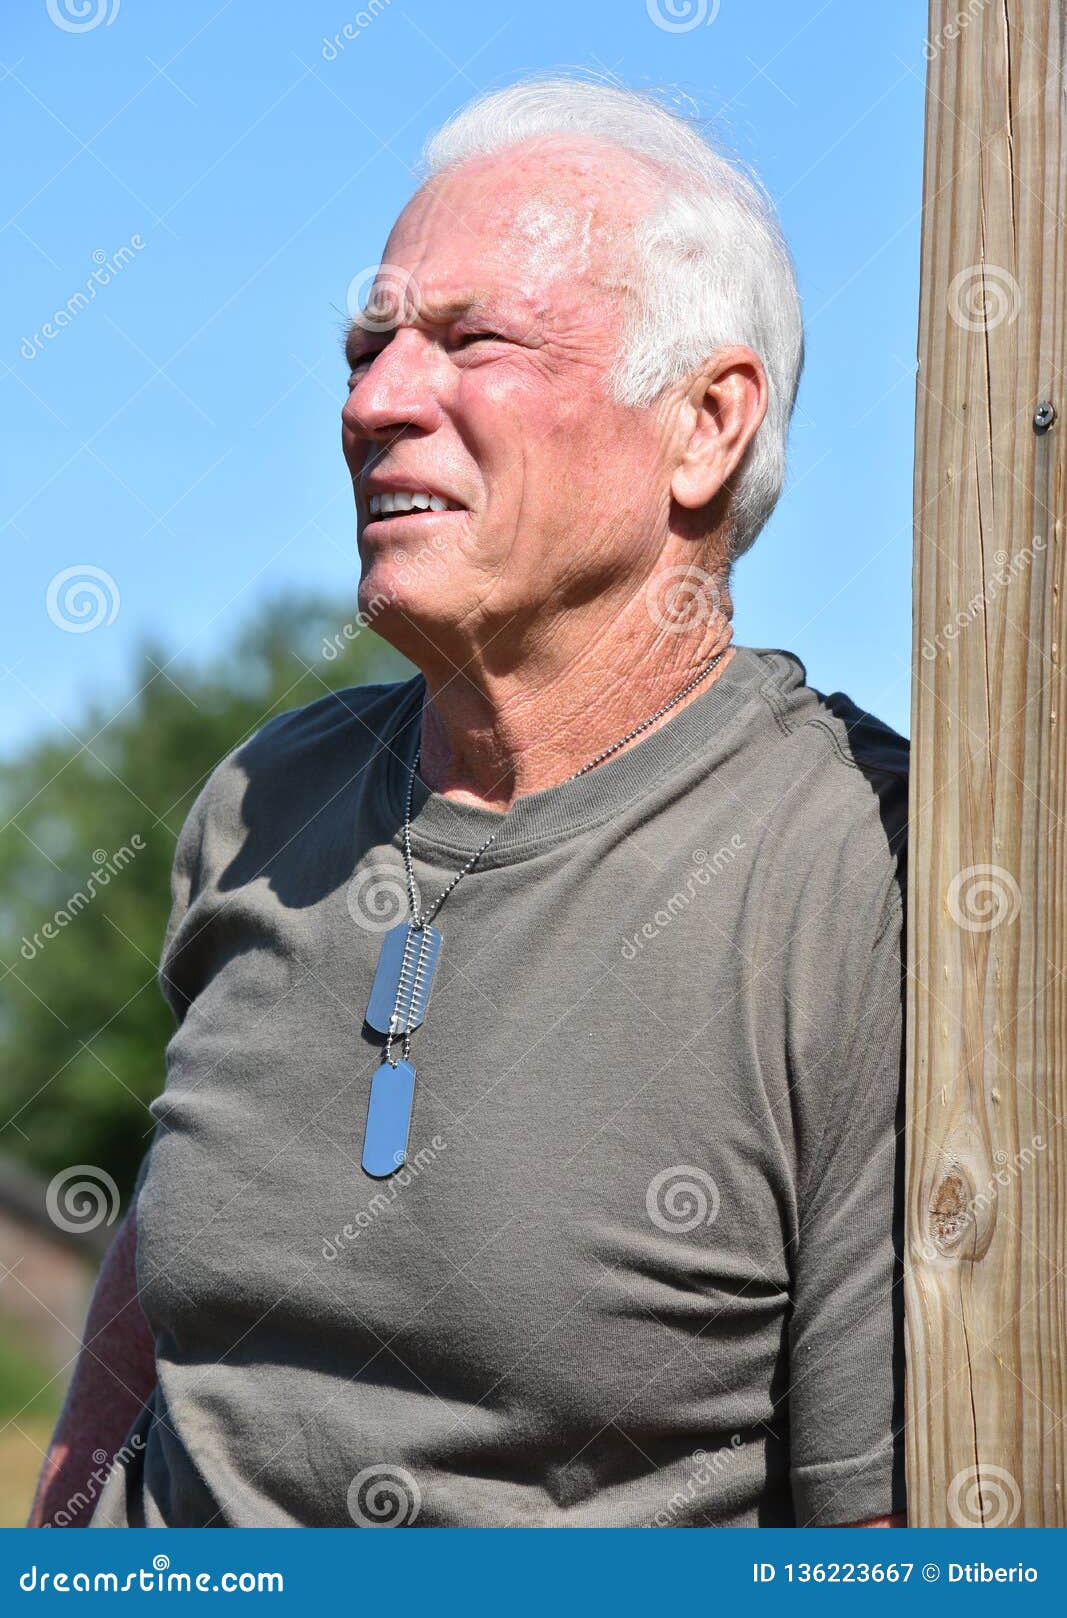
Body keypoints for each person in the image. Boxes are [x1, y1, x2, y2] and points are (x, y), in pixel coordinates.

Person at [31, 75, 907, 1529]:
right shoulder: (266, 799)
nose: (371, 402)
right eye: (368, 345)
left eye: (471, 340)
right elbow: (157, 1311)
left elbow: (878, 1536)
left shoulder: (857, 866)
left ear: (705, 423)